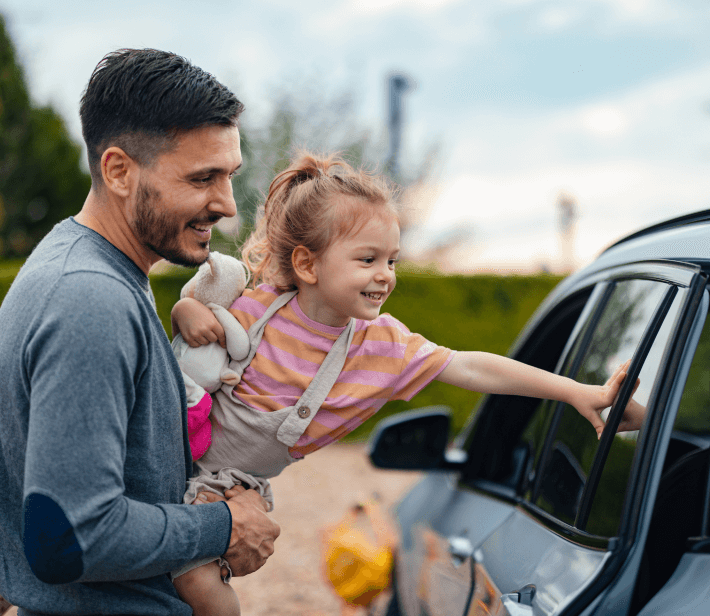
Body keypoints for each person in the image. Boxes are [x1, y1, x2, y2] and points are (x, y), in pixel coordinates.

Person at [163, 152, 636, 616]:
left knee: (196, 583)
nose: (385, 276)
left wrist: (577, 392)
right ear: (307, 265)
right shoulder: (255, 308)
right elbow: (192, 331)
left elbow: (473, 368)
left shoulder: (385, 346)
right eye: (368, 259)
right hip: (170, 454)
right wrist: (185, 311)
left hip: (228, 485)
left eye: (392, 260)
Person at [0, 49, 280, 616]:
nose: (227, 206)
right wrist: (225, 524)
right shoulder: (90, 299)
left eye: (228, 175)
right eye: (202, 178)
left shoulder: (86, 268)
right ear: (118, 171)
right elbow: (71, 537)